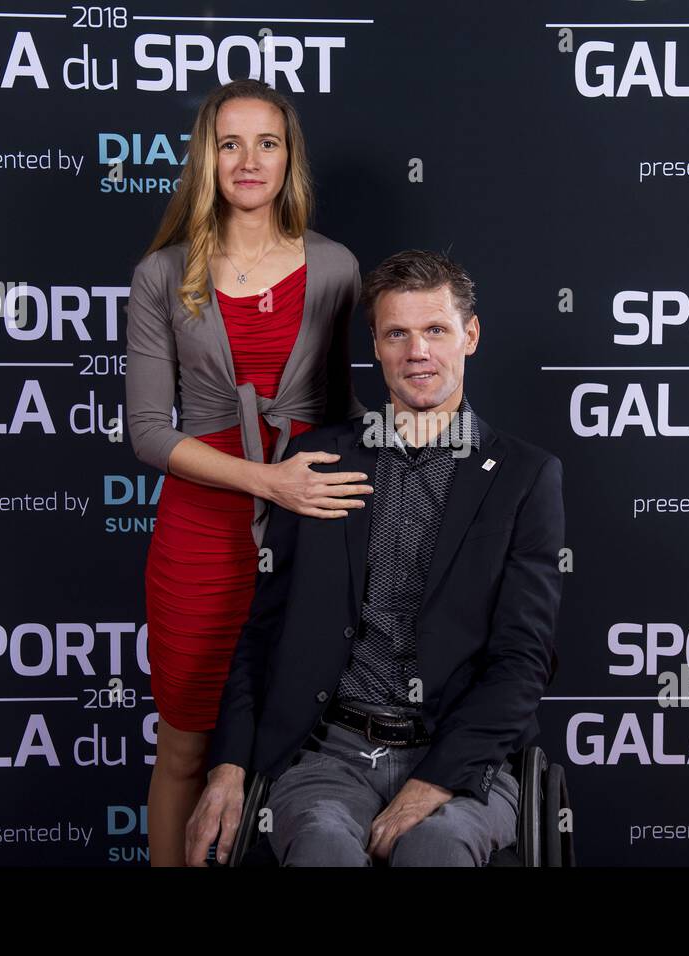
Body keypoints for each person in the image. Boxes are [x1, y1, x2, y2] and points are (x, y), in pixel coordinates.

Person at [186, 249, 566, 866]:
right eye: (397, 334)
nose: (417, 352)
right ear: (377, 346)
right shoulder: (320, 463)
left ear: (470, 335)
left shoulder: (524, 477)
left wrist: (433, 782)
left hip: (464, 757)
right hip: (330, 751)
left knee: (435, 847)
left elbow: (523, 662)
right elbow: (263, 632)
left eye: (435, 330)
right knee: (322, 849)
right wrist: (227, 768)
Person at [124, 78, 373, 866]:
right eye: (230, 143)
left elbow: (344, 406)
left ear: (288, 155)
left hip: (311, 531)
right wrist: (269, 482)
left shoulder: (334, 267)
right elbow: (146, 433)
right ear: (208, 157)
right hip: (200, 542)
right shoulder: (162, 275)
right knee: (186, 753)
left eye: (267, 142)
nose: (248, 160)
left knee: (307, 753)